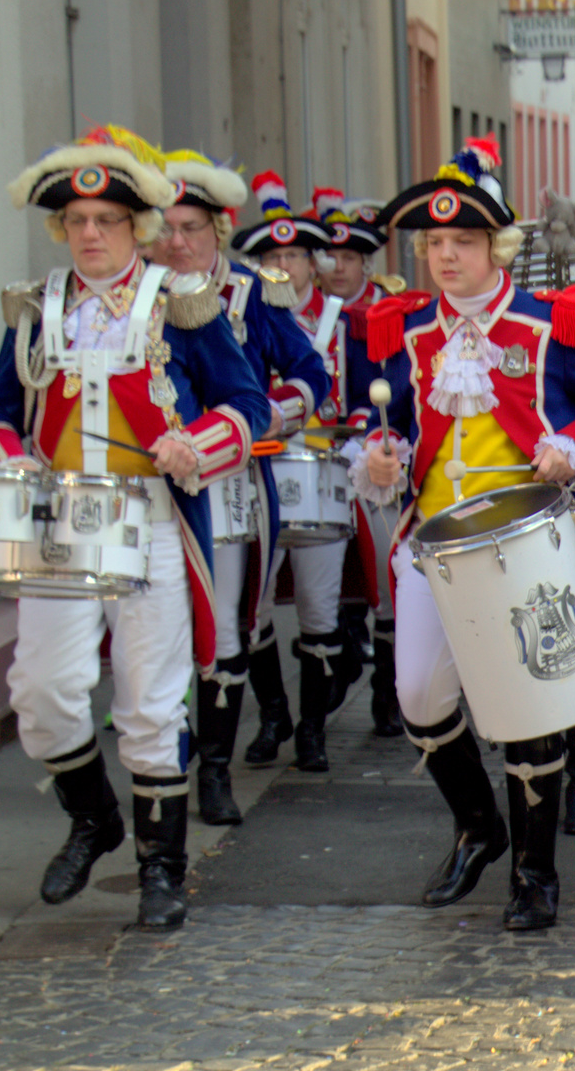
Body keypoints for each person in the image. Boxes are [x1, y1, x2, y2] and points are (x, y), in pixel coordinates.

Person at [353, 137, 575, 930]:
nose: (446, 258)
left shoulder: (555, 322)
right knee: (417, 695)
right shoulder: (408, 331)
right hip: (435, 540)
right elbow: (380, 425)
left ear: (497, 247)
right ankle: (478, 825)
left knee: (529, 711)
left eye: (462, 243)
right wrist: (381, 459)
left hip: (527, 544)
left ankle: (535, 871)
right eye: (434, 245)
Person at [0, 125, 270, 929]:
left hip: (149, 523)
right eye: (76, 222)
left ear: (135, 226)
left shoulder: (180, 305)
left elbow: (248, 404)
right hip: (62, 523)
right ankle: (94, 817)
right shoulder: (37, 310)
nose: (90, 234)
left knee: (149, 703)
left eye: (106, 219)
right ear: (60, 230)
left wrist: (194, 445)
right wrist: (9, 454)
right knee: (42, 695)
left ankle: (160, 868)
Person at [154, 151, 331, 823]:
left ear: (218, 230)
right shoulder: (140, 296)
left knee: (223, 621)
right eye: (166, 227)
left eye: (191, 227)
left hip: (229, 478)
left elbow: (308, 372)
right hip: (153, 483)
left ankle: (216, 774)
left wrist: (274, 412)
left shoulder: (254, 292)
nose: (177, 241)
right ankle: (167, 759)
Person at [230, 172, 362, 772]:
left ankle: (311, 729)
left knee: (318, 609)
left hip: (321, 474)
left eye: (294, 255)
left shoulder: (344, 319)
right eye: (272, 256)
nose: (283, 265)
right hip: (254, 474)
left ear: (314, 263)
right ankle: (275, 714)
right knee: (250, 608)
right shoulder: (244, 316)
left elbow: (363, 397)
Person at [313, 187, 409, 739]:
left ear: (366, 263)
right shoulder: (310, 312)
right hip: (320, 458)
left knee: (384, 574)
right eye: (332, 257)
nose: (339, 267)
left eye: (350, 258)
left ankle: (386, 693)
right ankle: (342, 659)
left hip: (373, 457)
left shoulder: (385, 314)